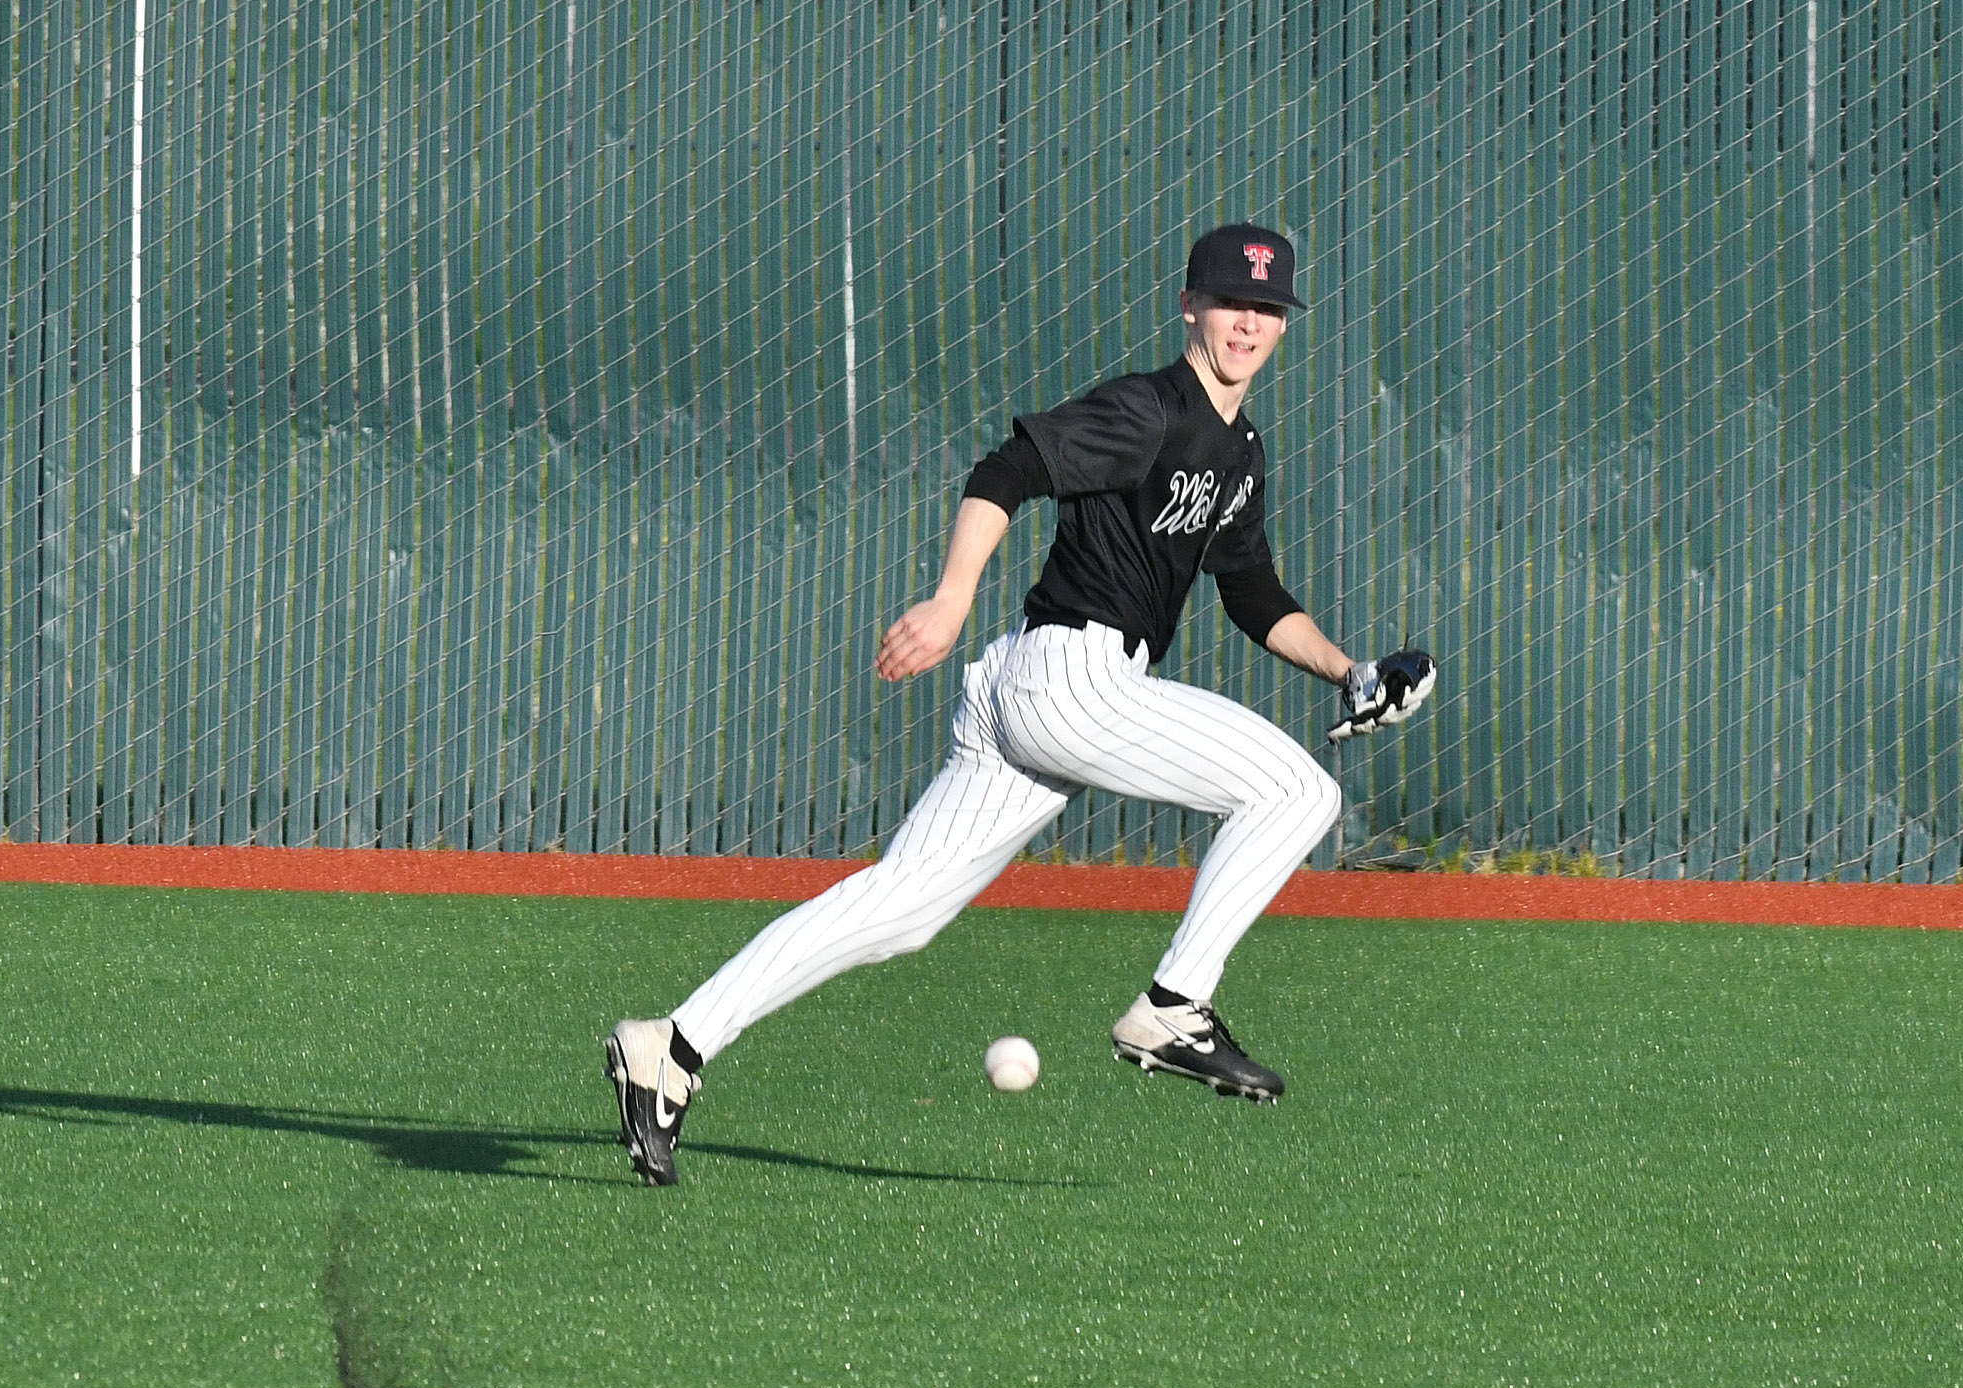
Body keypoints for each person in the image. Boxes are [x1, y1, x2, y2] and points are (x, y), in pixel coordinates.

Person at [604, 223, 1435, 1186]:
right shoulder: (1148, 410)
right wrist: (952, 596)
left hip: (1038, 695)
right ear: (1189, 306)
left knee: (902, 909)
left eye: (1266, 310)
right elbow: (1009, 471)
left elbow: (1252, 593)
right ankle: (1175, 1005)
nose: (1247, 323)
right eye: (1229, 303)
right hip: (1070, 679)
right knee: (1298, 793)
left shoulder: (1240, 453)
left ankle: (673, 1043)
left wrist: (1349, 671)